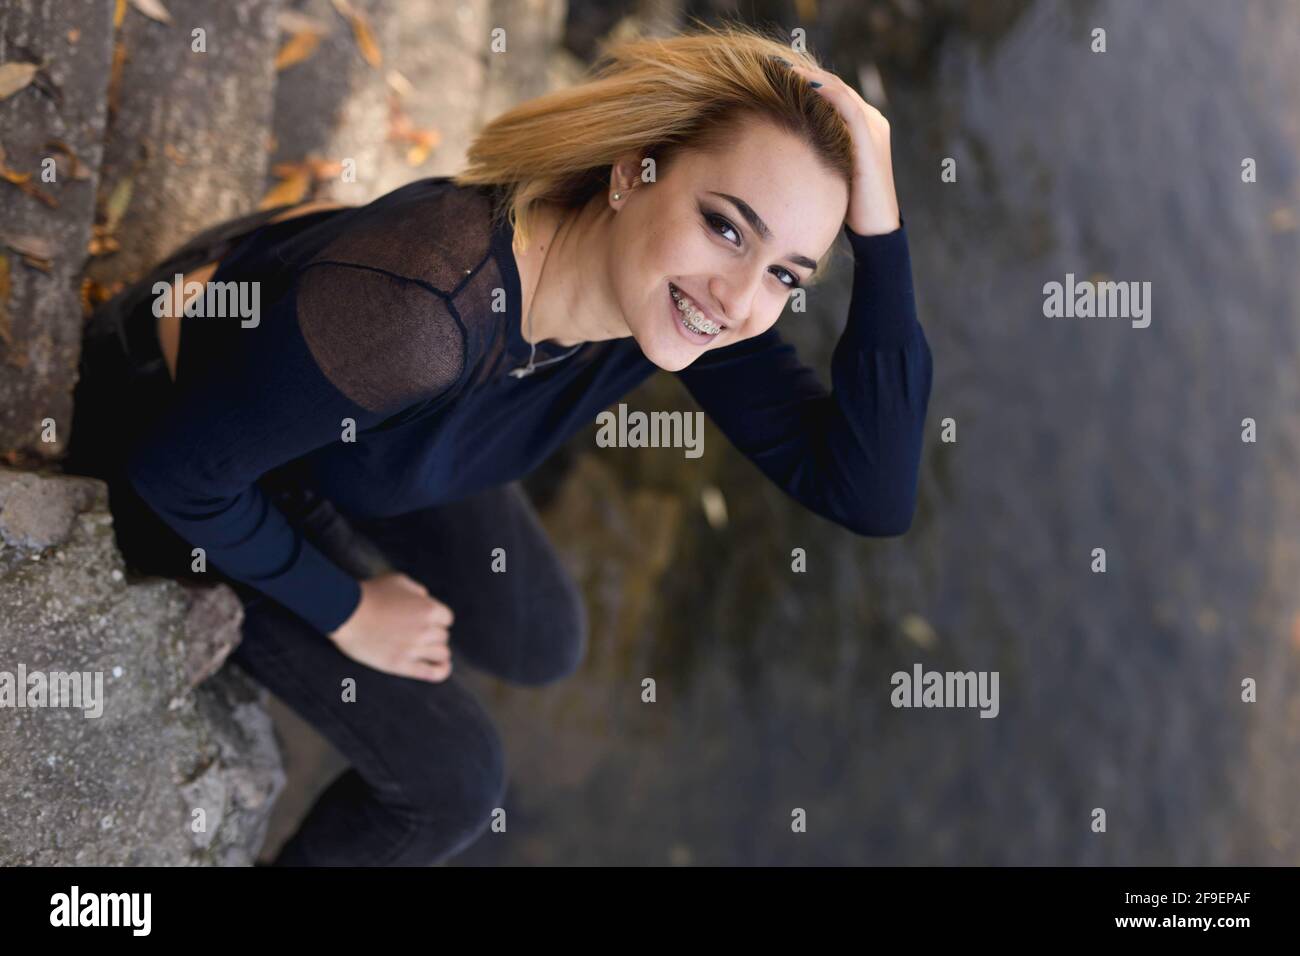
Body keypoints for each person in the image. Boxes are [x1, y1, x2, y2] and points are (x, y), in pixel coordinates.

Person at [61, 22, 933, 865]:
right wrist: (351, 609)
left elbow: (868, 492)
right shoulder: (426, 317)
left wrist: (883, 243)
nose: (742, 299)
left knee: (540, 636)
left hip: (357, 429)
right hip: (185, 439)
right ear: (633, 173)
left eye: (787, 275)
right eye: (727, 226)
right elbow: (175, 473)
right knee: (455, 785)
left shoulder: (672, 308)